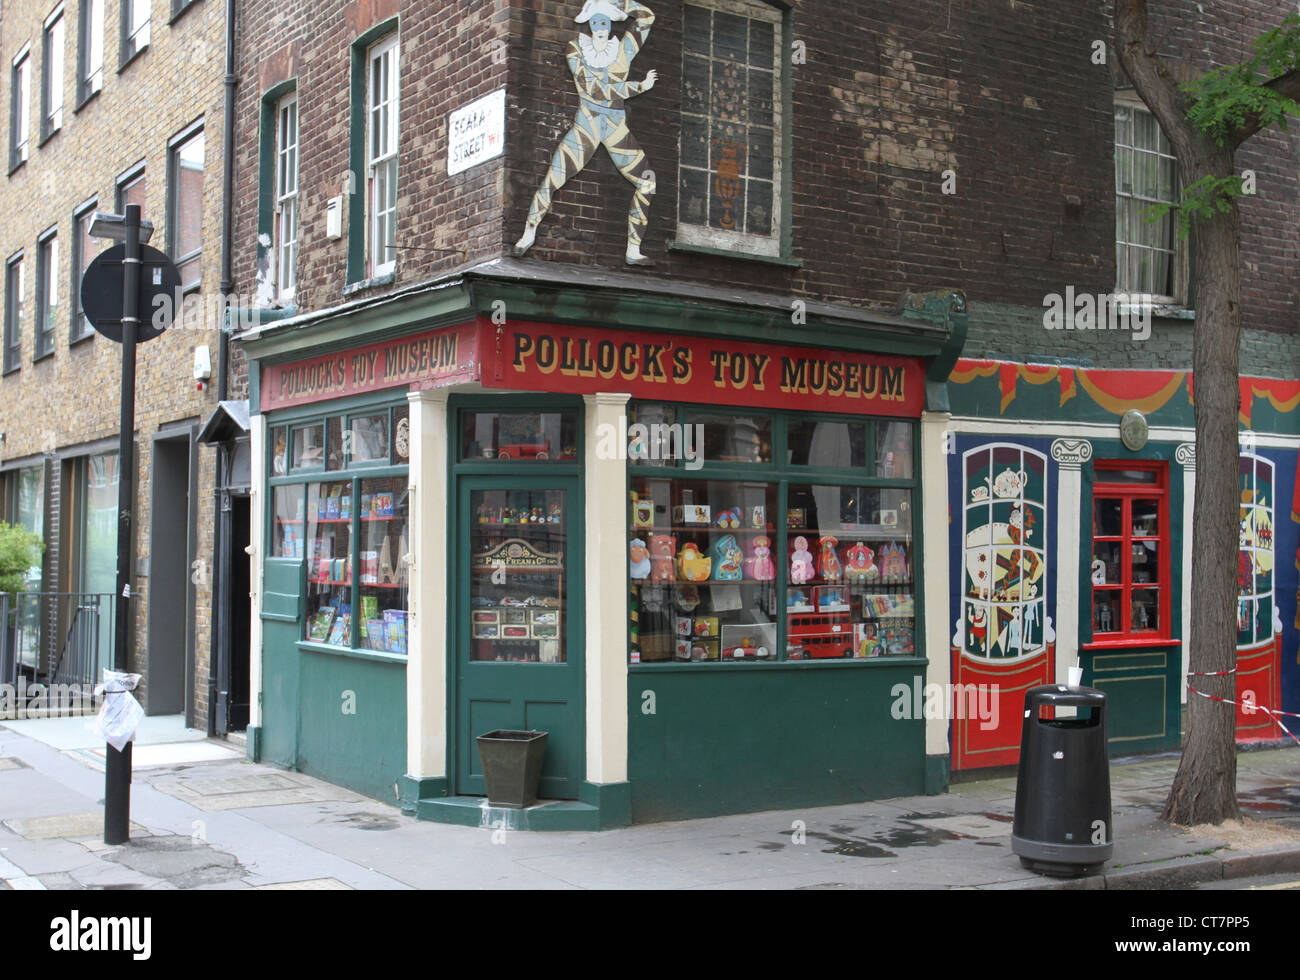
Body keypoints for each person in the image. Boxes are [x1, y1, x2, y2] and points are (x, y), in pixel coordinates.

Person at [514, 0, 658, 264]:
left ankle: (633, 249)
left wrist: (621, 3)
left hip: (615, 126)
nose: (601, 27)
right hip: (587, 125)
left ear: (611, 23)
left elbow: (647, 17)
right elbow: (593, 90)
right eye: (596, 22)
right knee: (553, 178)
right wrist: (639, 87)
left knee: (647, 181)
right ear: (589, 25)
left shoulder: (623, 48)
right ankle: (528, 233)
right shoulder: (575, 49)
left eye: (605, 21)